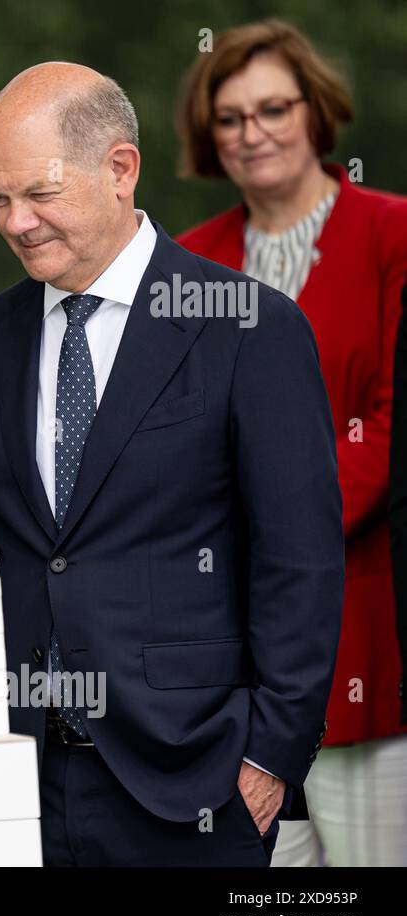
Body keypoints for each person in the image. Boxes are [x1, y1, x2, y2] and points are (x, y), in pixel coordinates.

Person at [0, 61, 343, 866]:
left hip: (196, 778)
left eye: (39, 194)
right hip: (21, 775)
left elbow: (300, 562)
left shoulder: (249, 328)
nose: (17, 222)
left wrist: (270, 761)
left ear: (121, 169)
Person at [175, 19, 407, 867]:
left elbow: (391, 425)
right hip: (225, 667)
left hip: (362, 637)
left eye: (273, 108)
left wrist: (274, 528)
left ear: (315, 111)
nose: (253, 132)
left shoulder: (393, 235)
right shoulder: (186, 263)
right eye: (230, 117)